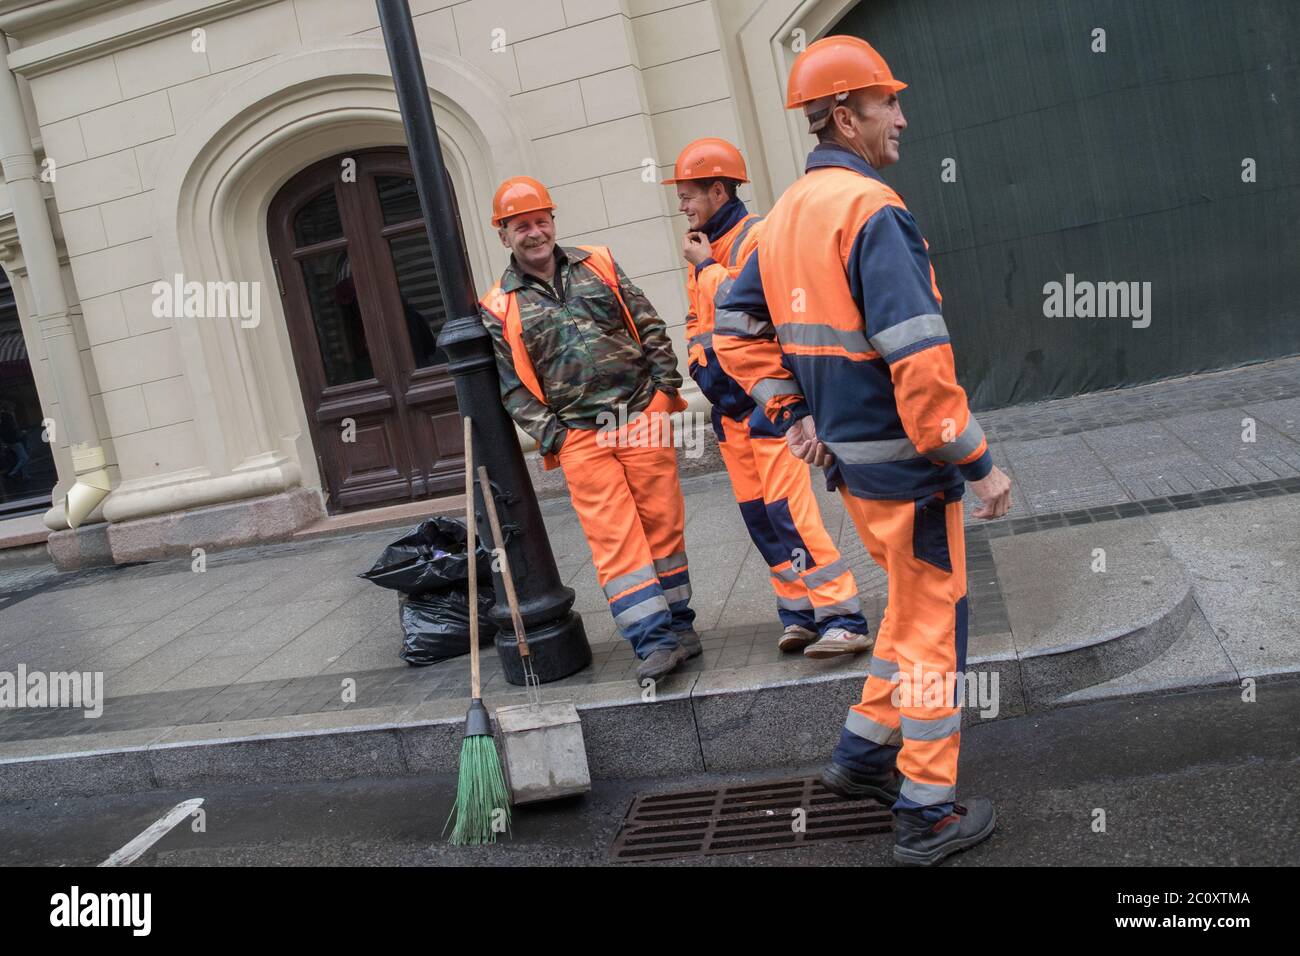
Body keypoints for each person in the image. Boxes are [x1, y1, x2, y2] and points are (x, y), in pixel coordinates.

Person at [713, 35, 1013, 865]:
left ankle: (862, 753)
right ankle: (927, 811)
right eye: (889, 104)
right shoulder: (872, 211)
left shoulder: (781, 217)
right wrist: (978, 461)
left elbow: (732, 330)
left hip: (854, 466)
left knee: (910, 609)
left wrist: (792, 410)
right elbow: (918, 359)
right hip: (910, 468)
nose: (902, 118)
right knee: (934, 627)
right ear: (846, 116)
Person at [479, 176, 697, 680]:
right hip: (581, 436)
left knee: (663, 526)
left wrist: (663, 395)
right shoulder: (498, 306)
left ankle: (681, 627)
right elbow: (512, 388)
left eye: (541, 221)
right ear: (504, 235)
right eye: (521, 226)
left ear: (552, 222)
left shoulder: (599, 263)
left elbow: (649, 326)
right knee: (615, 540)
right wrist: (557, 436)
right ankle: (653, 642)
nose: (535, 233)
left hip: (640, 414)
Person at [665, 137, 871, 658]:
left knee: (789, 512)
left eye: (688, 195)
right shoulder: (701, 245)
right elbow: (697, 322)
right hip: (729, 412)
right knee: (760, 517)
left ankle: (842, 615)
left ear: (718, 190)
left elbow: (749, 307)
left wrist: (707, 267)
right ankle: (798, 612)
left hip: (768, 404)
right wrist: (698, 365)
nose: (682, 206)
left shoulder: (756, 236)